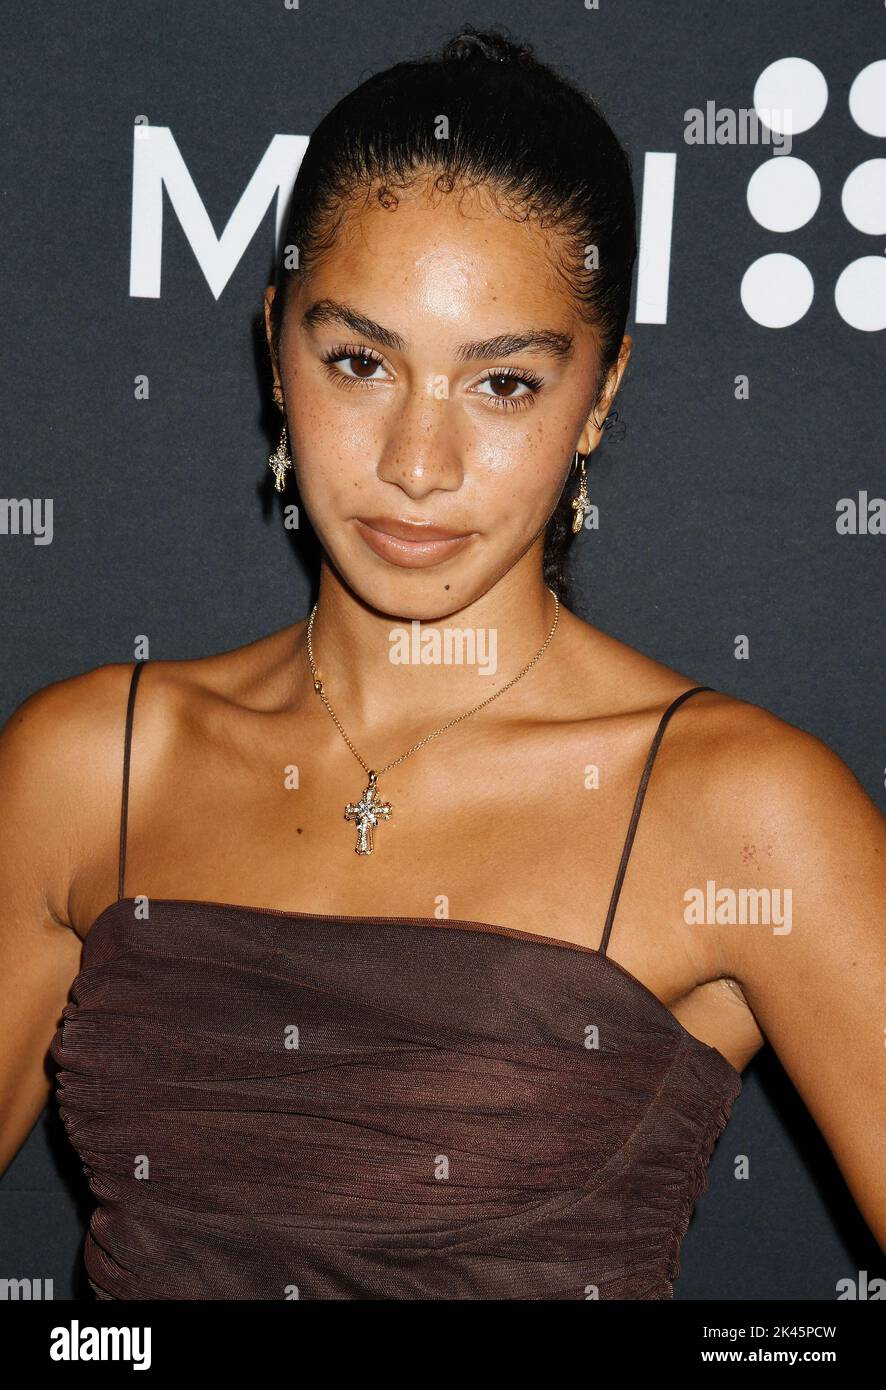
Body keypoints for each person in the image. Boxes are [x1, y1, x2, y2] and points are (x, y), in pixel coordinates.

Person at [1, 26, 883, 1301]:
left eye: (505, 385)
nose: (419, 461)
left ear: (598, 396)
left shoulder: (743, 807)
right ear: (276, 348)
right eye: (359, 361)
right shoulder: (89, 764)